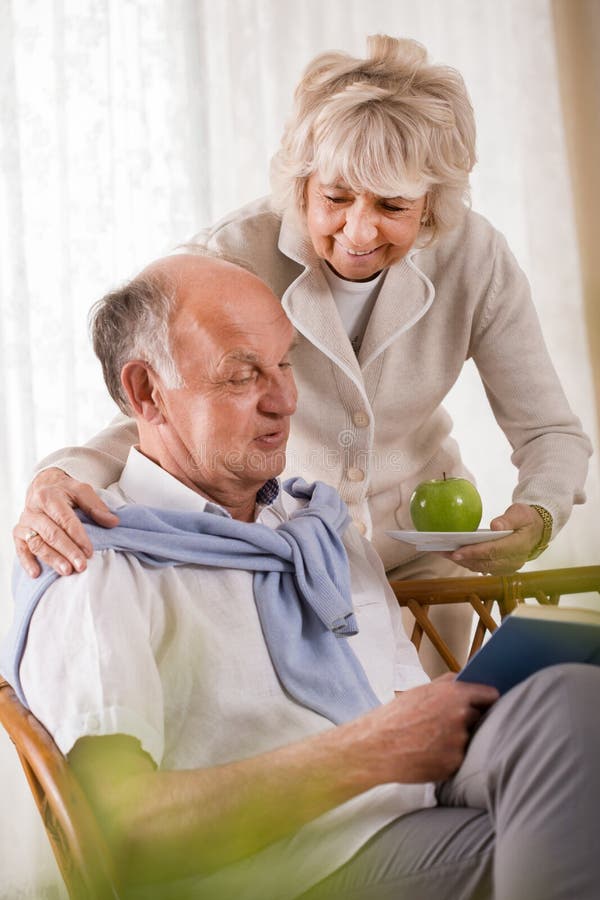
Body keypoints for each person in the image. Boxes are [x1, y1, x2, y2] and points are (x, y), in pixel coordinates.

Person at [3, 252, 599, 900]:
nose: (285, 400)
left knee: (568, 702)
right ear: (147, 393)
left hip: (411, 803)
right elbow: (125, 832)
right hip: (286, 867)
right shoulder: (97, 564)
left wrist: (430, 714)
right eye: (243, 375)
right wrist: (370, 749)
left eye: (284, 363)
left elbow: (394, 711)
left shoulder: (316, 526)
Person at [12, 35, 592, 675]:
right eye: (336, 197)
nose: (359, 231)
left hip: (426, 565)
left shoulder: (475, 257)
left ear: (432, 204)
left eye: (393, 206)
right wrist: (62, 476)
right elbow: (162, 408)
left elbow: (549, 431)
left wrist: (537, 515)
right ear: (301, 180)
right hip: (281, 555)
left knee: (444, 754)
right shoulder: (229, 257)